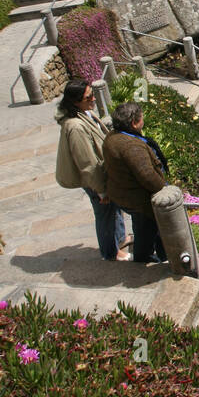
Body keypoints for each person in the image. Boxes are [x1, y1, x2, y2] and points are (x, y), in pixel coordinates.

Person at [54, 79, 130, 262]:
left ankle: (120, 239)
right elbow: (87, 163)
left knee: (113, 208)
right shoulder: (75, 127)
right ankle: (110, 253)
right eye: (88, 97)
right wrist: (101, 190)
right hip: (95, 179)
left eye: (92, 95)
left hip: (103, 173)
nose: (93, 99)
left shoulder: (84, 112)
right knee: (104, 213)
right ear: (75, 101)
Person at [102, 102, 168, 264]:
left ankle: (162, 254)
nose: (143, 120)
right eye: (142, 118)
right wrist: (164, 189)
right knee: (146, 232)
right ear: (134, 123)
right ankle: (143, 259)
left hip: (123, 193)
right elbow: (148, 177)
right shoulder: (132, 147)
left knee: (147, 228)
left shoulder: (113, 136)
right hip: (138, 200)